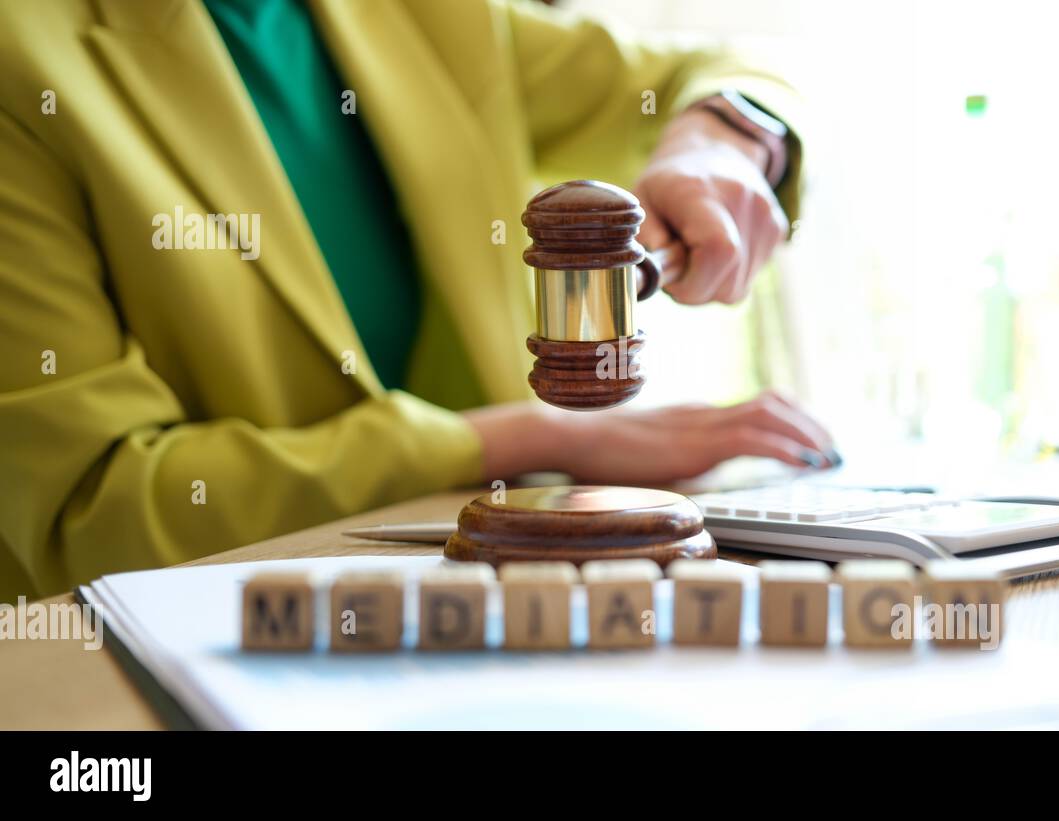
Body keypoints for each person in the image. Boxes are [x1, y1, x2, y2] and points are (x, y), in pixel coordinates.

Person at [0, 0, 833, 599]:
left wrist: (719, 138)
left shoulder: (428, 14)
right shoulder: (24, 58)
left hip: (489, 614)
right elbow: (88, 508)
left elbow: (721, 69)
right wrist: (523, 433)